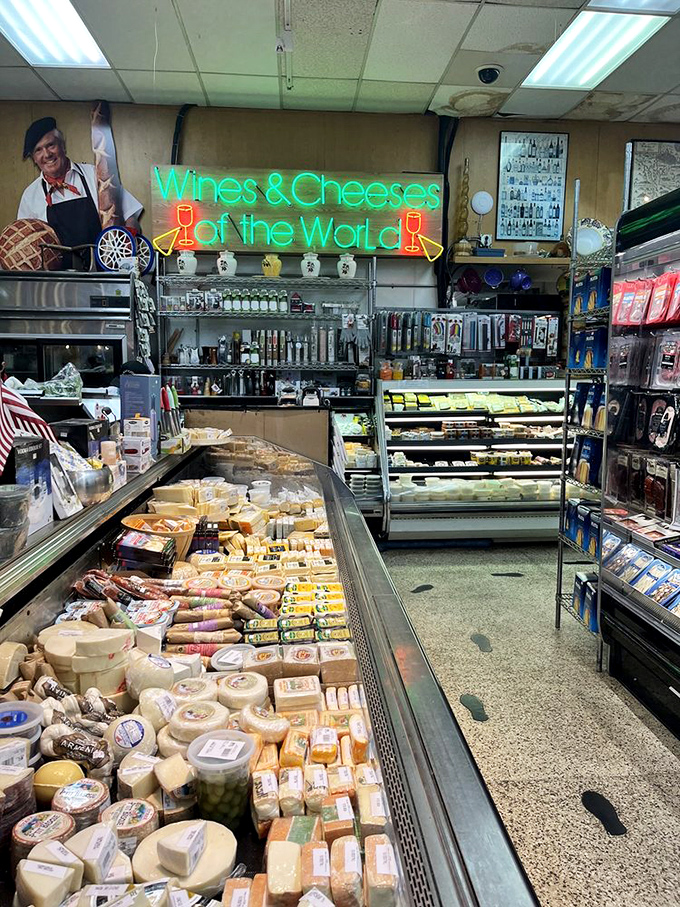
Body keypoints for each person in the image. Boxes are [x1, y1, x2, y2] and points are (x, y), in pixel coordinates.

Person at [17, 116, 143, 255]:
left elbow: (130, 215)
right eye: (38, 150)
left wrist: (127, 241)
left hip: (102, 266)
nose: (47, 154)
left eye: (51, 145)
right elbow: (25, 243)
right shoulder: (30, 196)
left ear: (62, 145)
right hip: (58, 270)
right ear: (34, 159)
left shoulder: (96, 175)